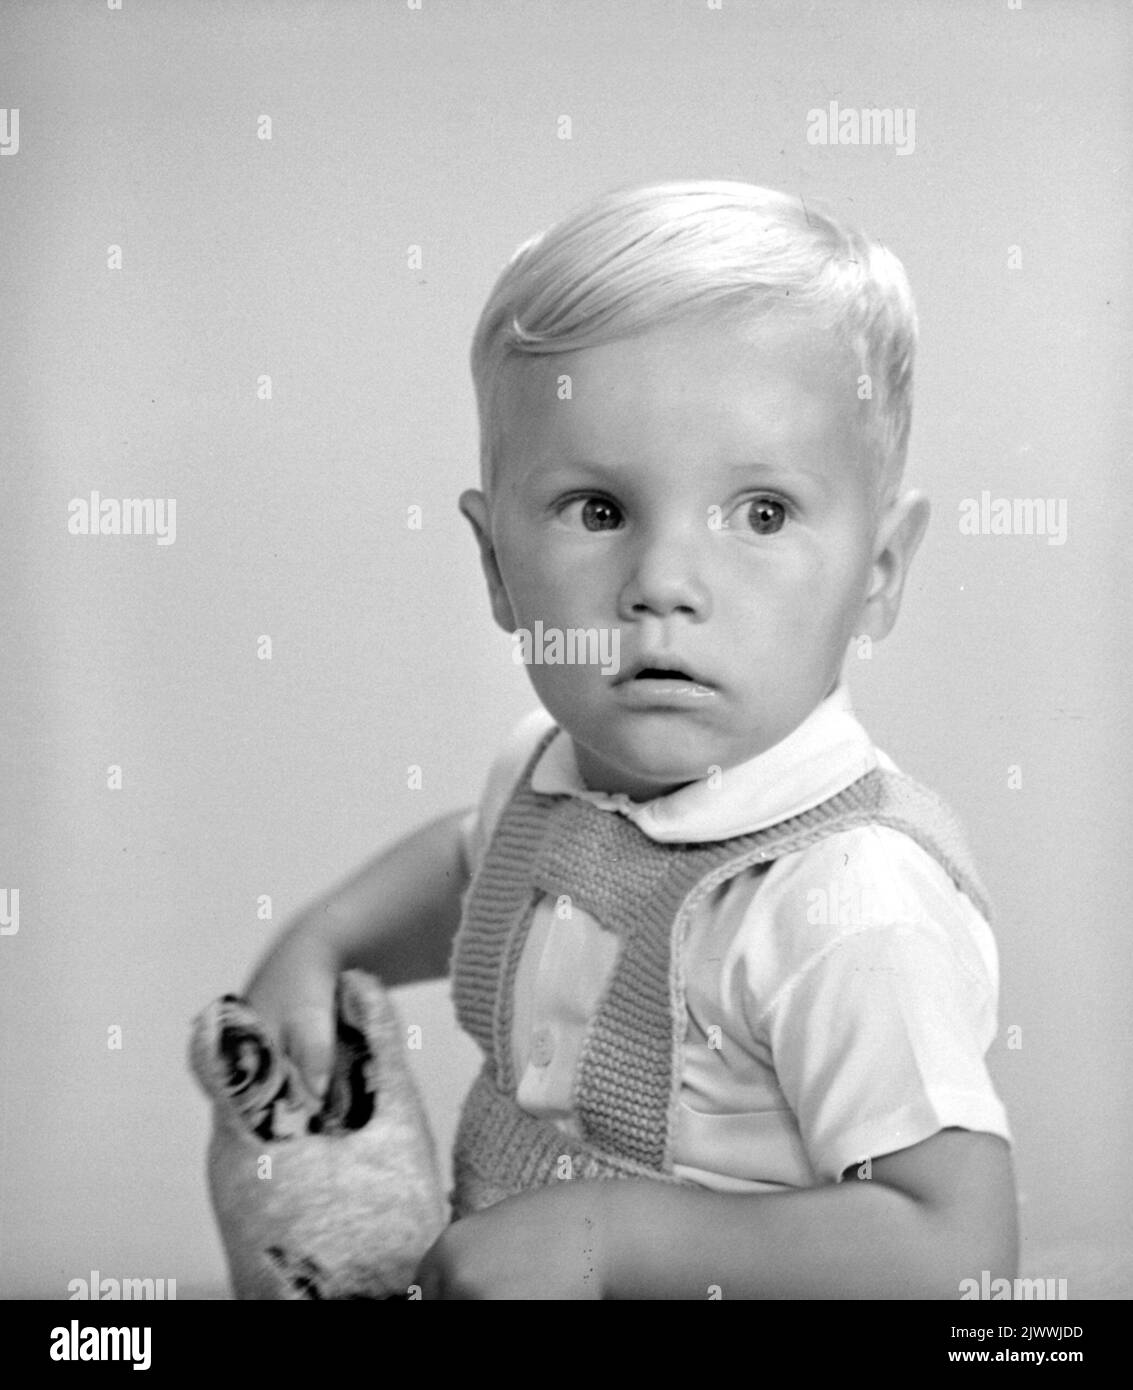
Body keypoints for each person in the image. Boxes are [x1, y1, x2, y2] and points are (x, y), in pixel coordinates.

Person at [244, 180, 1017, 1299]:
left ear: (878, 573)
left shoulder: (844, 899)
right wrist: (321, 945)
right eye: (599, 510)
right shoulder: (549, 777)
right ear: (495, 567)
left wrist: (609, 1240)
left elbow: (956, 1252)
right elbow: (475, 866)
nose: (664, 582)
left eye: (760, 513)